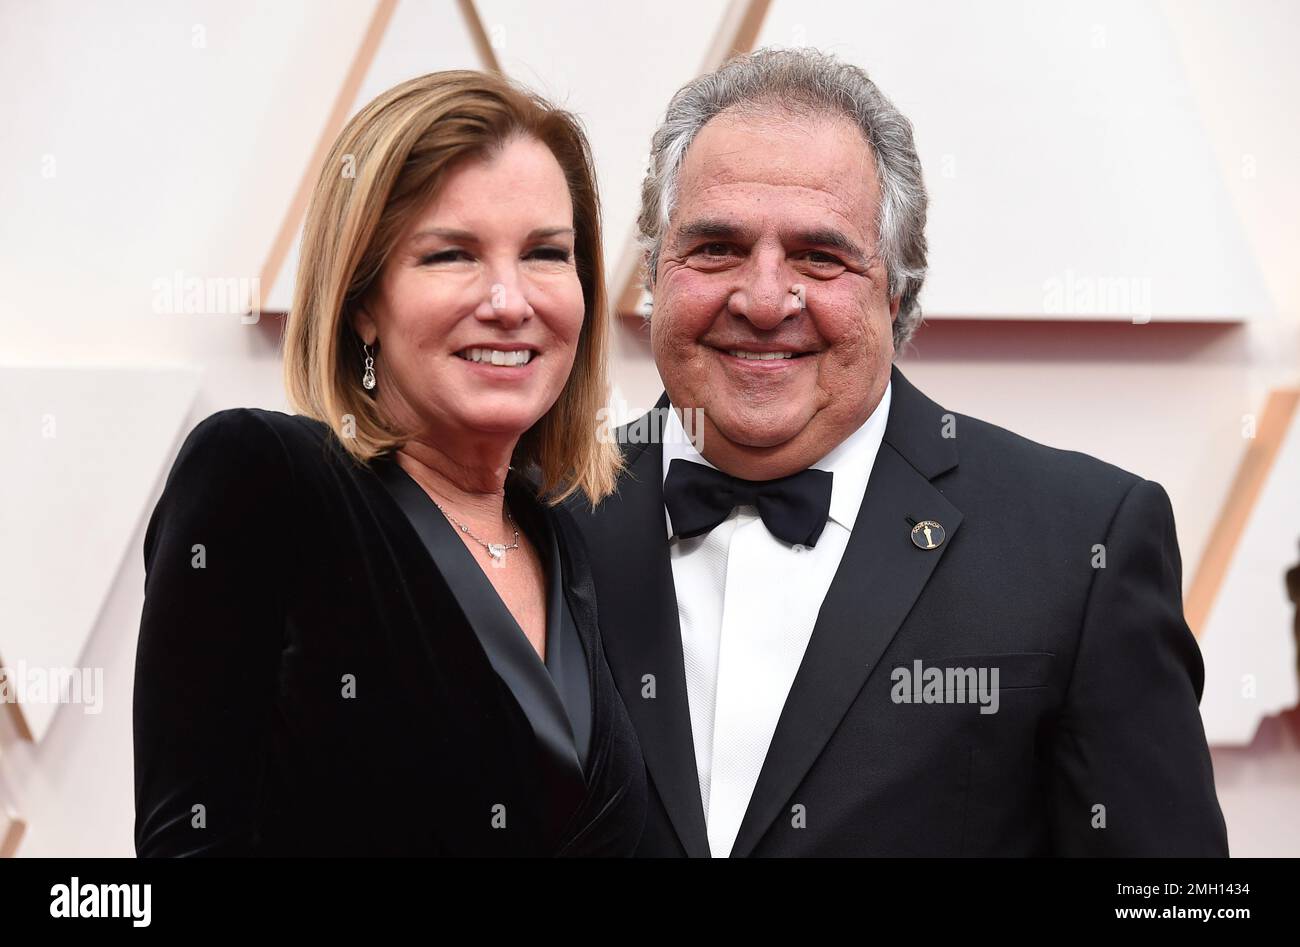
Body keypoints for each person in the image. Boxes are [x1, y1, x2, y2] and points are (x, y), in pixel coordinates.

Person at [569, 48, 1228, 857]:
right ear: (655, 272)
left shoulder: (1081, 543)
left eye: (820, 256)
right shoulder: (538, 515)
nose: (765, 299)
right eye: (716, 248)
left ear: (896, 289)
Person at [133, 70, 645, 856]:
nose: (510, 301)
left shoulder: (567, 538)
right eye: (452, 255)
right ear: (363, 302)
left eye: (546, 253)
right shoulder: (261, 479)